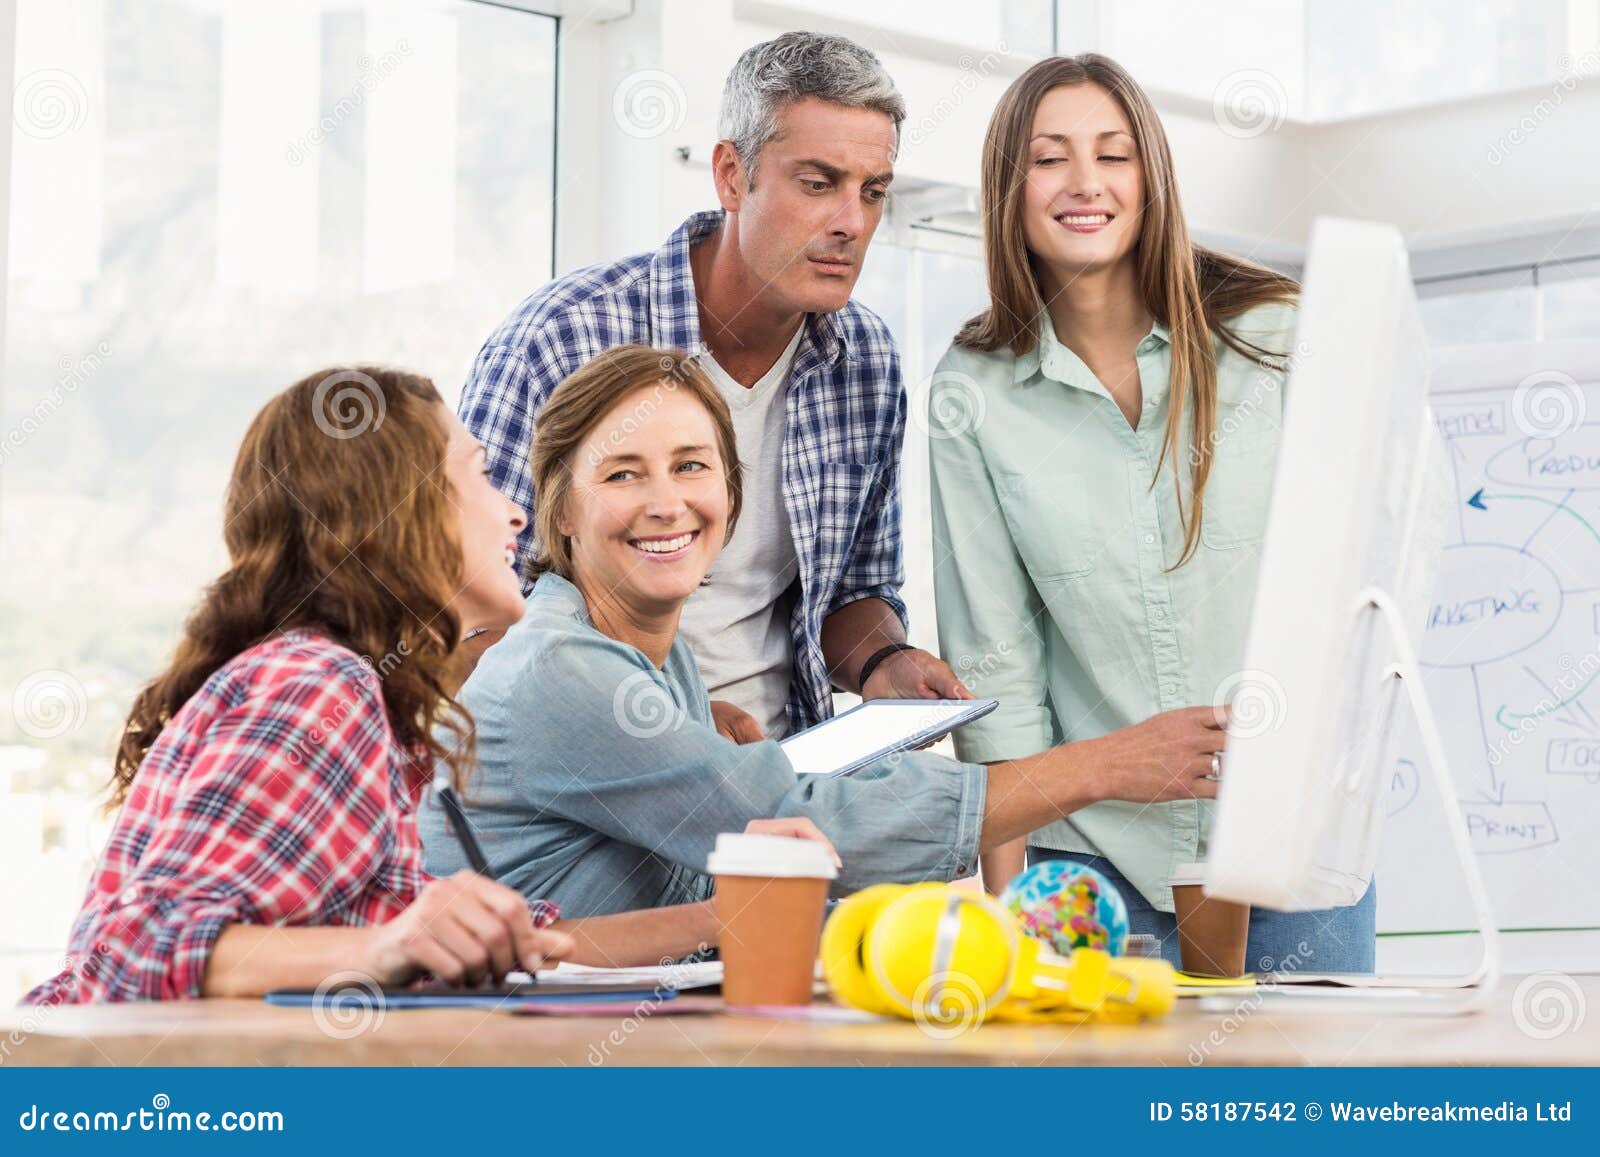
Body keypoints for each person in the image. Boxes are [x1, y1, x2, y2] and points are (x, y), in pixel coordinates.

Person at [24, 365, 818, 1004]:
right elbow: (134, 950)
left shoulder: (369, 704)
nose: (514, 513)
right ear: (405, 513)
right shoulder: (314, 684)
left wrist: (735, 914)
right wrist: (386, 946)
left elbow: (521, 949)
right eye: (478, 477)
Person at [419, 345, 1232, 916]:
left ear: (730, 496)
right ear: (560, 511)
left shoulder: (655, 665)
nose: (667, 502)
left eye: (692, 465)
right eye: (624, 473)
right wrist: (1107, 765)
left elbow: (726, 839)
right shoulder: (564, 668)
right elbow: (797, 822)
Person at [928, 54, 1374, 971]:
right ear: (1011, 188)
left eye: (1114, 155)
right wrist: (1012, 912)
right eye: (1050, 158)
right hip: (1088, 866)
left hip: (1290, 848)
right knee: (1092, 1116)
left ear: (1152, 178)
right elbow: (996, 661)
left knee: (1303, 1109)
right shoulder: (974, 394)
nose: (1085, 184)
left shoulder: (1276, 337)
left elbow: (1356, 576)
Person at [458, 32, 969, 744]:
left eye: (872, 192)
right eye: (818, 183)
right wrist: (672, 719)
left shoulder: (867, 361)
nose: (850, 222)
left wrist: (885, 661)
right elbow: (466, 620)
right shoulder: (563, 338)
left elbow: (851, 594)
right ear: (731, 175)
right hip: (587, 775)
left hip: (778, 780)